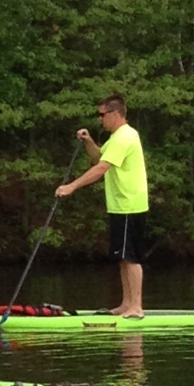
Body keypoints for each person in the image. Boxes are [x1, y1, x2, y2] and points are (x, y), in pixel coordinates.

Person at [55, 94, 149, 318]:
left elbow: (101, 169)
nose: (100, 120)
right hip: (119, 205)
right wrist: (88, 141)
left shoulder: (126, 136)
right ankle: (126, 304)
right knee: (122, 257)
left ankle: (137, 307)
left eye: (102, 115)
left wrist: (71, 187)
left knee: (131, 257)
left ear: (115, 114)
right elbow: (99, 158)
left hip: (130, 204)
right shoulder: (116, 138)